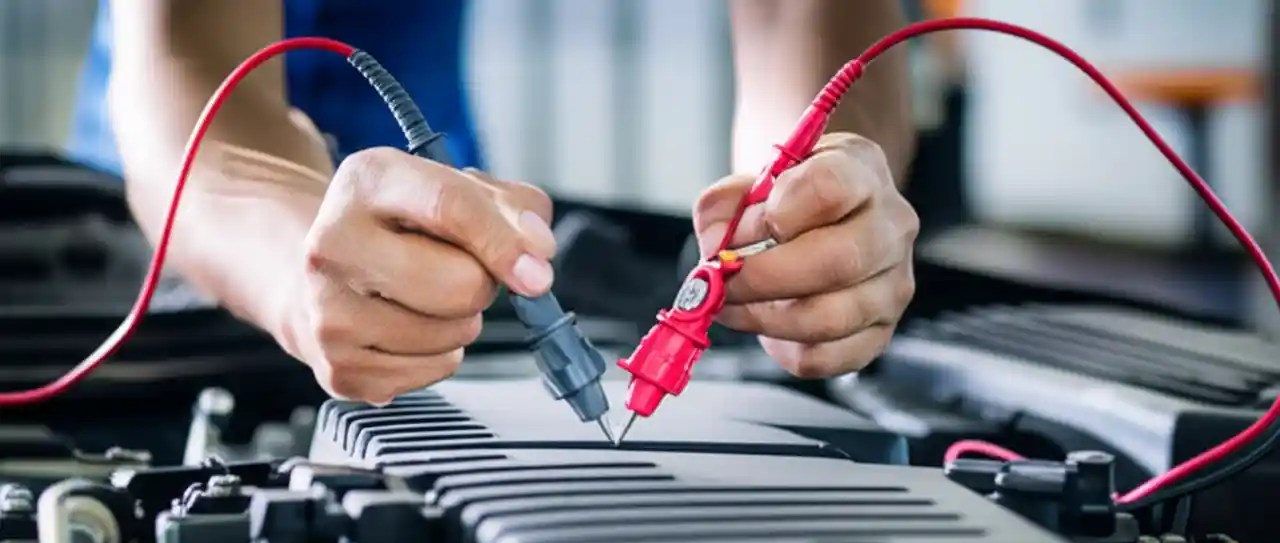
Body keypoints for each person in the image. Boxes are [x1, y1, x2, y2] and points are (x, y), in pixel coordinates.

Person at [68, 1, 919, 405]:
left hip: (450, 230)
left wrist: (816, 201)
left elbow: (807, 15)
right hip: (167, 256)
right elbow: (189, 72)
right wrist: (295, 267)